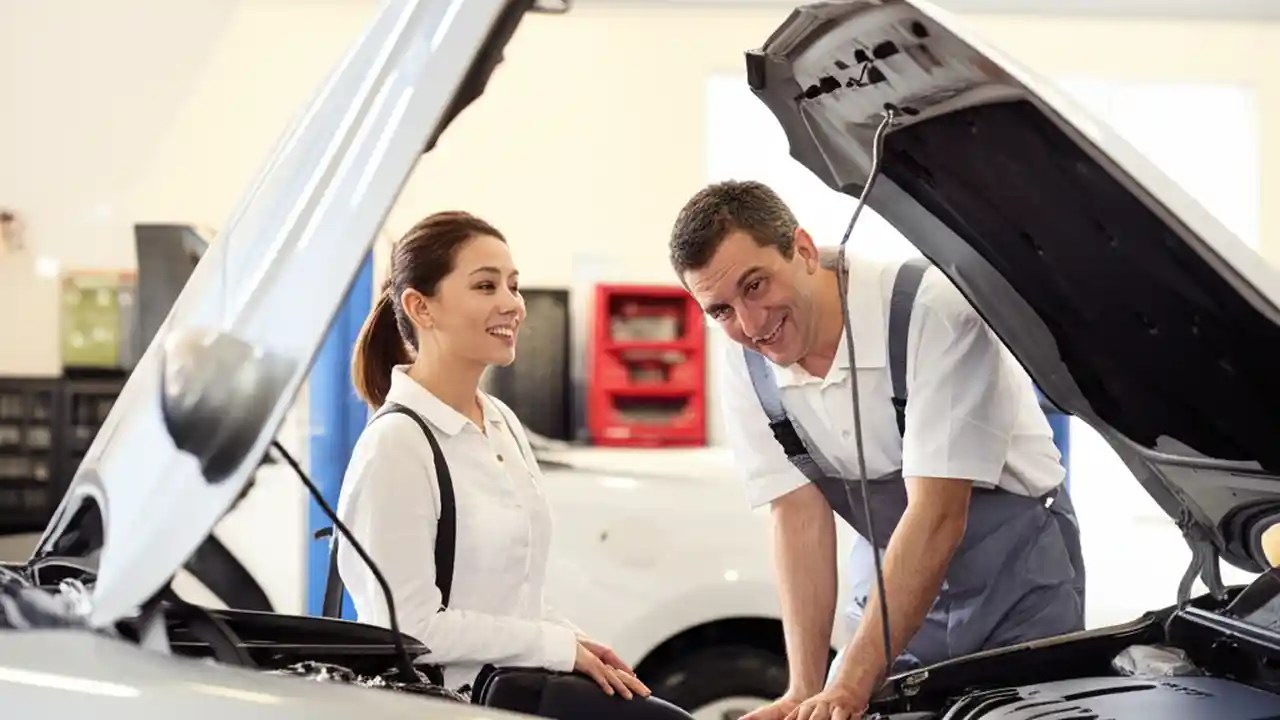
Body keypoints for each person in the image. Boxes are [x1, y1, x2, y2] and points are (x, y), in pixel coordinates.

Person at [667, 181, 1085, 720]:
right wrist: (804, 688)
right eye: (720, 310)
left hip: (1016, 579)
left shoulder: (927, 309)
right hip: (892, 583)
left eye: (755, 285)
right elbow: (798, 516)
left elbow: (937, 513)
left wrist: (851, 683)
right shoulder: (744, 364)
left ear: (804, 249)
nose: (750, 325)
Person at [336, 210, 655, 709]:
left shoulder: (500, 420)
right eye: (485, 287)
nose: (513, 305)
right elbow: (406, 629)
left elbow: (509, 600)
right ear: (421, 307)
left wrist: (568, 637)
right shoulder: (397, 446)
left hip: (514, 693)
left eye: (513, 285)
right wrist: (554, 647)